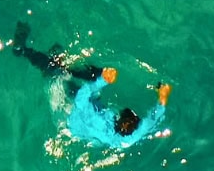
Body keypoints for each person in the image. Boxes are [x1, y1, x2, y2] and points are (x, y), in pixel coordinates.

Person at [10, 23, 168, 150]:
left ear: (119, 120)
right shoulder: (127, 139)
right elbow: (149, 123)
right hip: (82, 117)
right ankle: (63, 64)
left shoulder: (99, 122)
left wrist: (103, 81)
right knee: (92, 74)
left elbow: (82, 98)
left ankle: (22, 50)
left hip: (68, 114)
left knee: (55, 71)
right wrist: (162, 99)